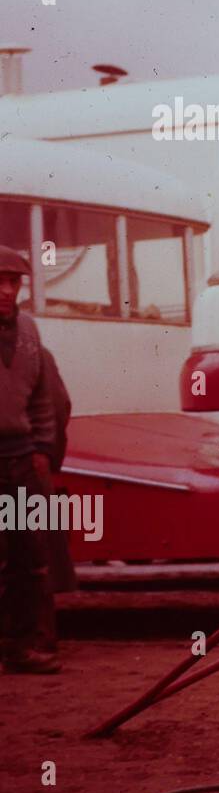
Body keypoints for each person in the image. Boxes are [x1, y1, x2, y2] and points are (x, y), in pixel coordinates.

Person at [0, 245, 62, 674]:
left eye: (14, 281)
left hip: (21, 461)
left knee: (30, 557)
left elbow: (42, 397)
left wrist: (42, 446)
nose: (6, 290)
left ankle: (25, 647)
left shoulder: (28, 330)